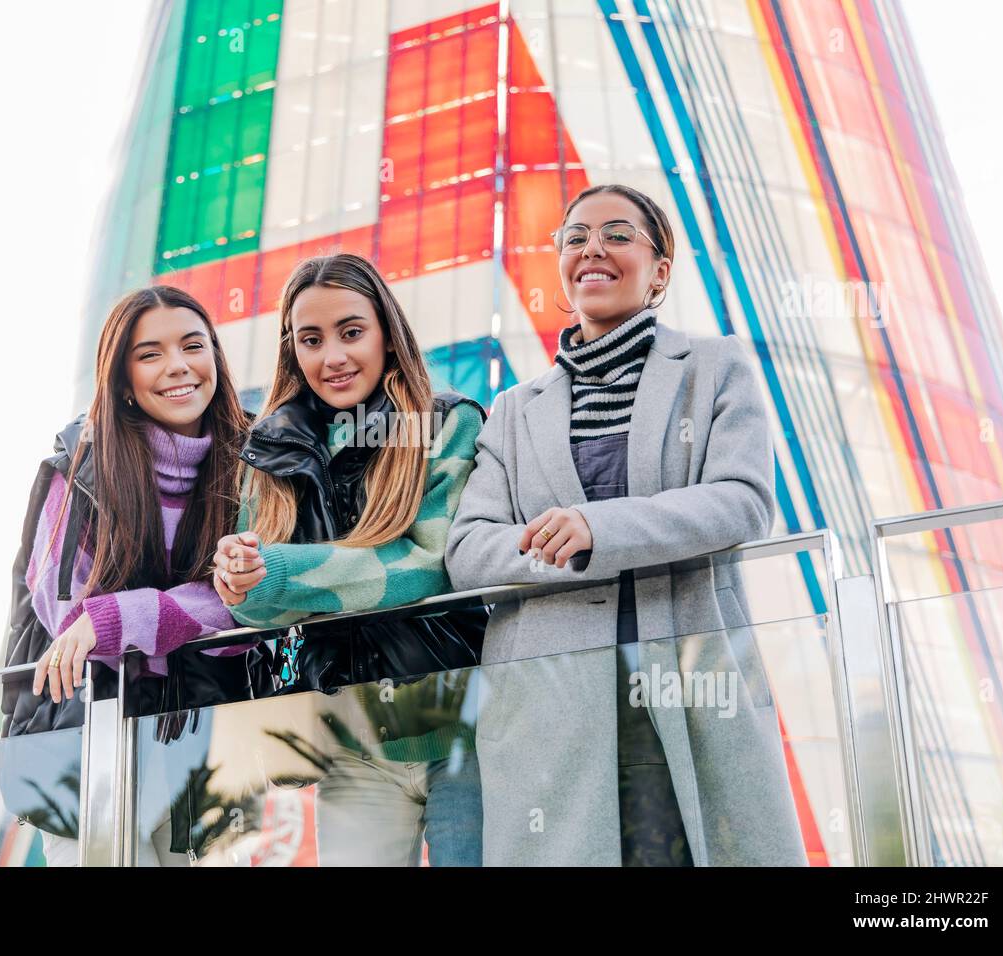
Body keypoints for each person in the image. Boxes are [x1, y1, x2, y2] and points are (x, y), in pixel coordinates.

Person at [445, 184, 807, 866]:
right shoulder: (515, 411)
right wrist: (566, 550)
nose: (592, 249)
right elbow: (469, 552)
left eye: (616, 234)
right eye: (575, 237)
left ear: (660, 270)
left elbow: (743, 499)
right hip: (552, 708)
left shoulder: (714, 368)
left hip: (687, 685)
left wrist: (597, 529)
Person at [211, 253, 488, 866]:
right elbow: (259, 615)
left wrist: (277, 572)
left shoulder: (447, 423)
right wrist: (239, 581)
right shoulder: (272, 453)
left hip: (463, 731)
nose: (332, 356)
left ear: (387, 334)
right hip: (352, 745)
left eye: (351, 332)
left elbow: (427, 566)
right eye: (311, 339)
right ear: (293, 352)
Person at [23, 285, 252, 866]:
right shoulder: (80, 464)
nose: (177, 367)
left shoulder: (254, 464)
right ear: (123, 379)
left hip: (198, 753)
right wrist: (182, 616)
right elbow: (66, 613)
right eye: (150, 354)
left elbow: (251, 601)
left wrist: (122, 617)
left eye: (192, 346)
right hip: (83, 745)